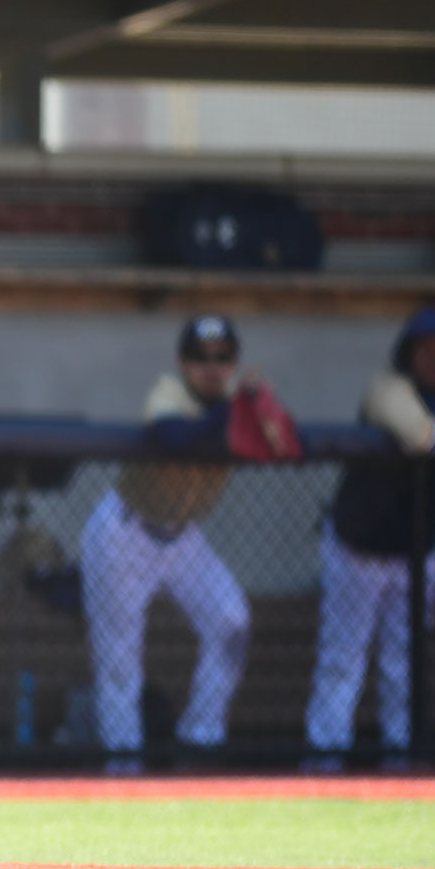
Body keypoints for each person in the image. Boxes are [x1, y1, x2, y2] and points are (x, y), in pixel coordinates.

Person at [80, 315, 273, 769]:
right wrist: (237, 412)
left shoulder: (234, 404)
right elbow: (172, 434)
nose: (211, 368)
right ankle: (123, 770)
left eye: (222, 358)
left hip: (184, 538)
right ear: (183, 364)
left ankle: (199, 743)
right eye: (201, 358)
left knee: (231, 621)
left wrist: (262, 407)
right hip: (125, 533)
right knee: (119, 664)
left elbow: (288, 441)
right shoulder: (169, 392)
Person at [305, 306, 435, 767]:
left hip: (417, 554)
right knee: (342, 662)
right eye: (423, 350)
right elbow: (421, 437)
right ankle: (323, 766)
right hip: (359, 549)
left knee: (403, 666)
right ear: (407, 354)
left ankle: (401, 763)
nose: (432, 360)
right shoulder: (385, 386)